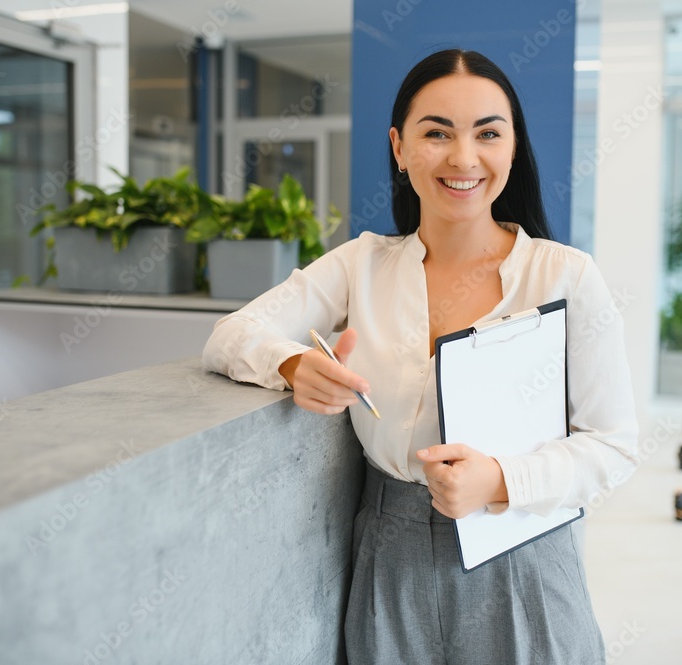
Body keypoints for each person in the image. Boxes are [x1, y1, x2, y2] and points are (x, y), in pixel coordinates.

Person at [204, 48, 639, 665]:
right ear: (399, 147)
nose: (464, 157)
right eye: (437, 133)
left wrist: (499, 480)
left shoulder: (565, 276)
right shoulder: (362, 265)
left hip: (523, 556)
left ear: (513, 147)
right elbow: (231, 334)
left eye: (488, 133)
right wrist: (293, 365)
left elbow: (613, 445)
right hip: (390, 557)